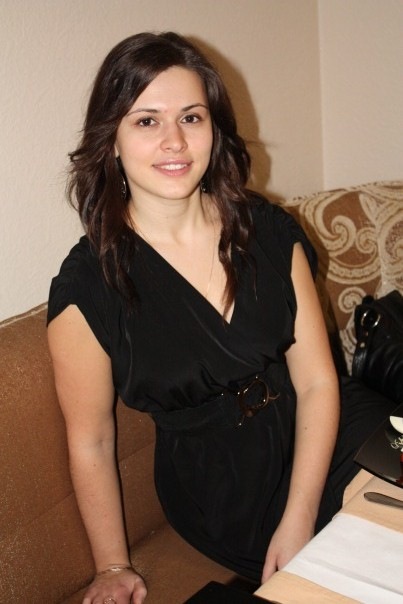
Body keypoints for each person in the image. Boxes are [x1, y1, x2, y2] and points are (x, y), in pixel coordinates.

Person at [47, 32, 395, 604]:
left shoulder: (266, 229)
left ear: (215, 129)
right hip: (224, 488)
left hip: (329, 431)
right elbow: (91, 438)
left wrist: (302, 511)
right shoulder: (89, 287)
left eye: (191, 117)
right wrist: (112, 564)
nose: (175, 141)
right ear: (110, 140)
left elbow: (316, 380)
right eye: (147, 121)